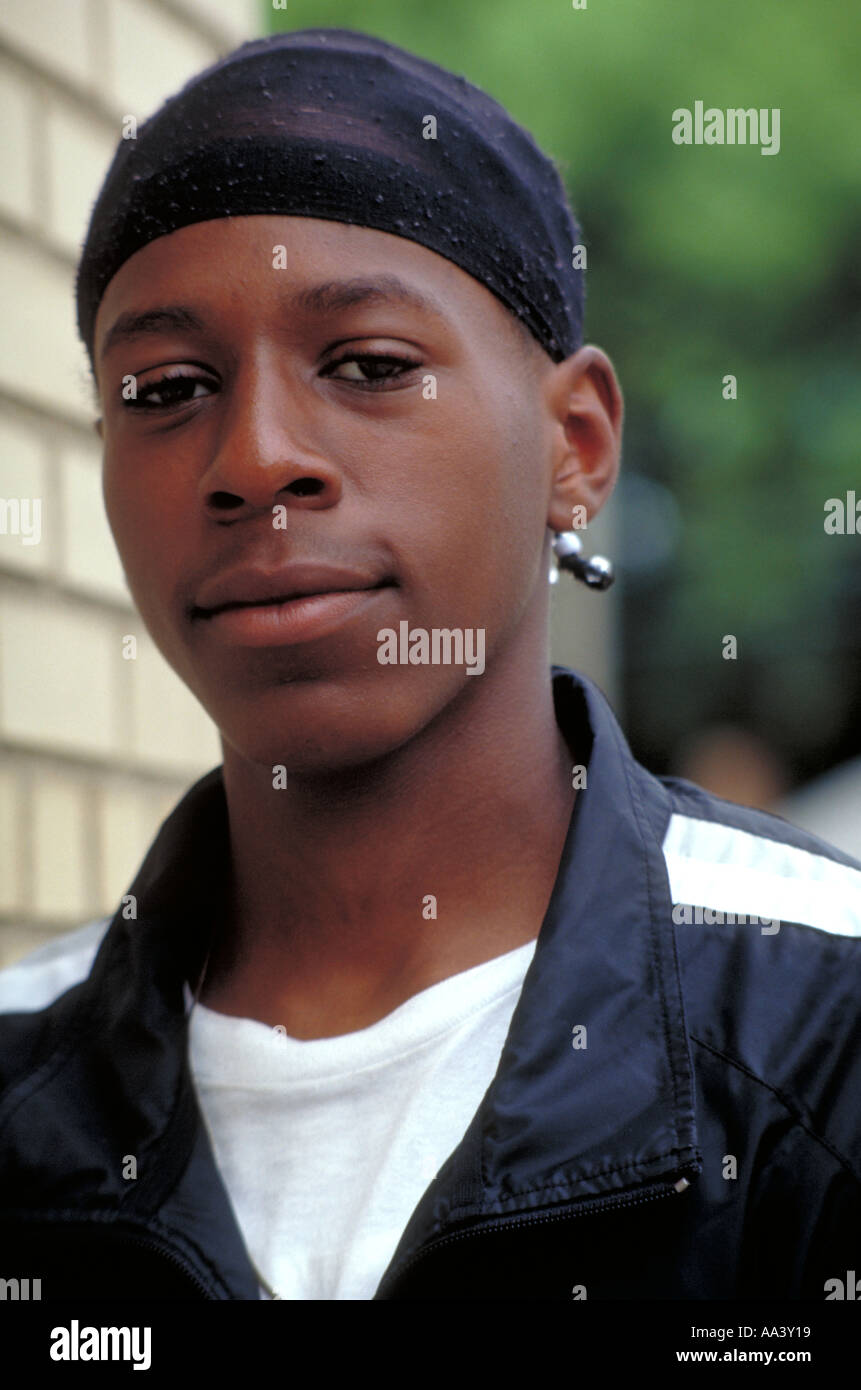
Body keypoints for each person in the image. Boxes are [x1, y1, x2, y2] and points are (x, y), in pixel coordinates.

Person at [1, 27, 859, 1303]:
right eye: (167, 387)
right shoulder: (22, 1073)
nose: (255, 458)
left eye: (368, 365)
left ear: (575, 445)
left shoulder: (825, 1019)